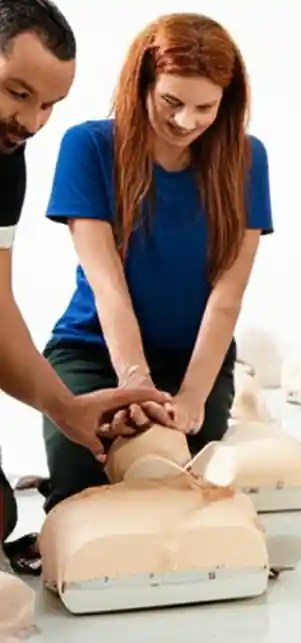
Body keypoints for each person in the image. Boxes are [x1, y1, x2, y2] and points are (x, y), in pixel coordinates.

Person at [39, 12, 272, 515]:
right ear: (141, 84)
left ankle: (243, 391)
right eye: (172, 101)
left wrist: (190, 397)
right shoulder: (88, 147)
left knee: (178, 483)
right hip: (94, 350)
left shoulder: (248, 160)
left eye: (204, 107)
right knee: (83, 490)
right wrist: (134, 384)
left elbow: (227, 296)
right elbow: (108, 287)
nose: (186, 121)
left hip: (193, 360)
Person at [0, 0, 171, 549]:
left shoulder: (6, 159)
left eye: (48, 104)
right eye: (17, 92)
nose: (30, 122)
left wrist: (65, 406)